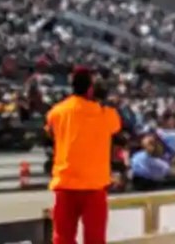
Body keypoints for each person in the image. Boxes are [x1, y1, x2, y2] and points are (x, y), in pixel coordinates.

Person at [46, 67, 121, 244]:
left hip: (65, 184)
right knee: (95, 239)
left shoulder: (57, 111)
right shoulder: (105, 114)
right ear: (91, 89)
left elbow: (50, 130)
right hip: (94, 186)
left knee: (63, 238)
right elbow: (116, 127)